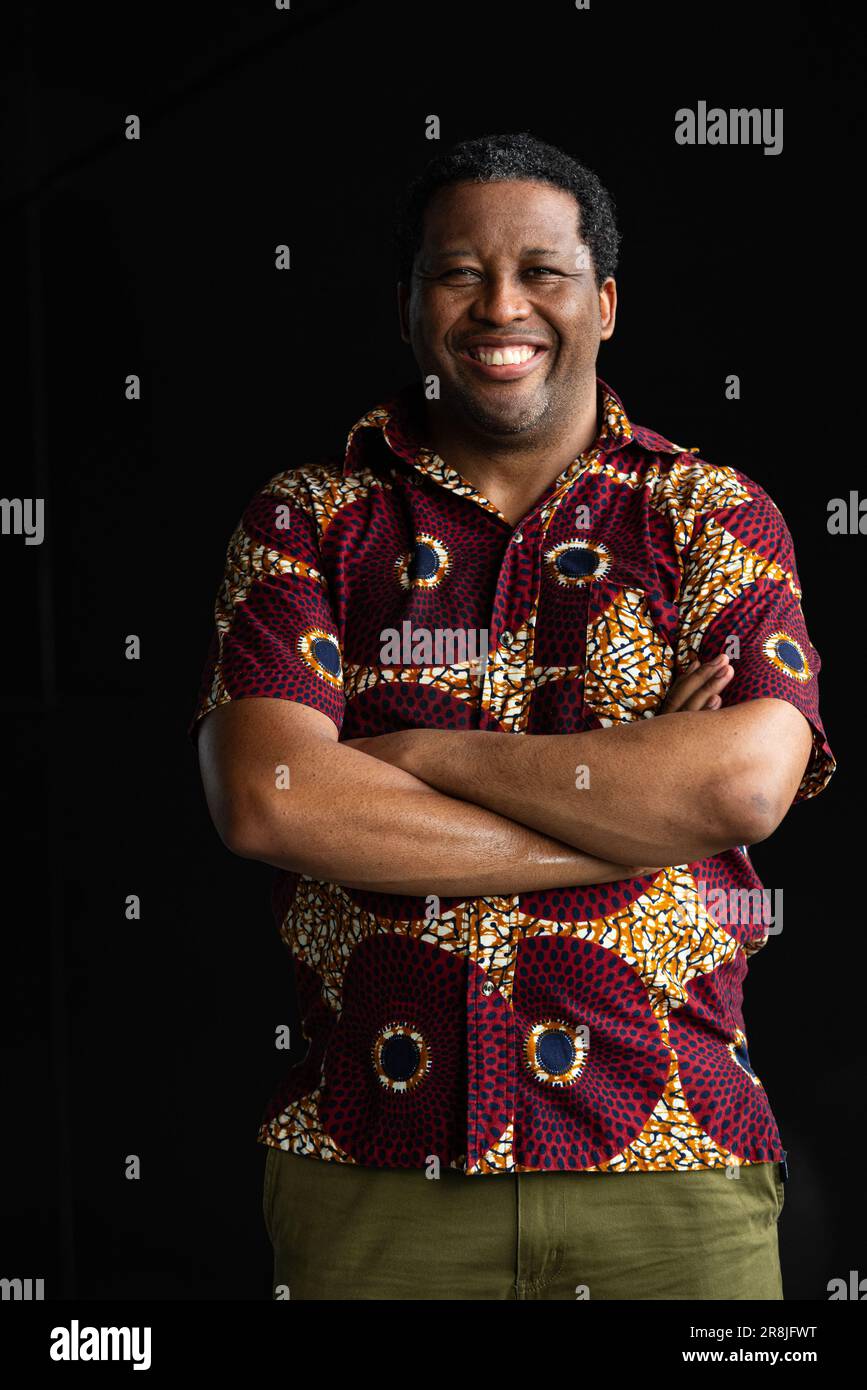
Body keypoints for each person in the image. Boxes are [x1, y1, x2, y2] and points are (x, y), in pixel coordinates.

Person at [189, 132, 835, 1300]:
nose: (502, 307)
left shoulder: (712, 516)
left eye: (542, 271)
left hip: (673, 1165)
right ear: (406, 307)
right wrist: (630, 810)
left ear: (605, 301)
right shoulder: (309, 522)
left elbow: (739, 791)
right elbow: (270, 798)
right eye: (458, 274)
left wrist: (412, 759)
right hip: (374, 1178)